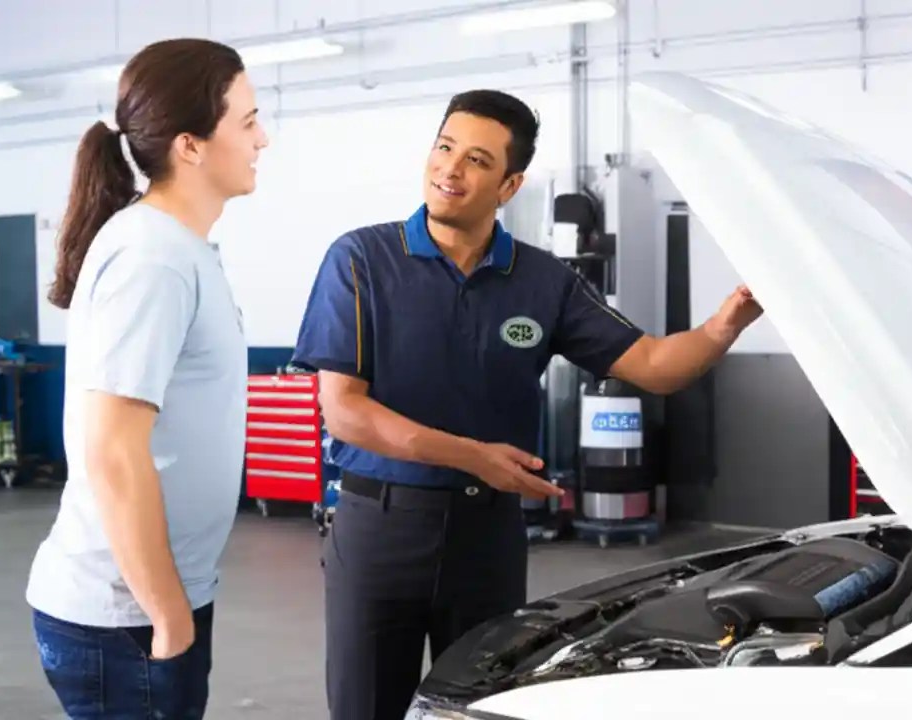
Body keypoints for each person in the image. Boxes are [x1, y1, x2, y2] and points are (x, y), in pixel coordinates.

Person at [292, 88, 762, 720]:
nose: (451, 169)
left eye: (477, 160)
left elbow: (654, 366)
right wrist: (471, 456)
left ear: (509, 185)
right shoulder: (363, 260)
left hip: (486, 540)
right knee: (365, 709)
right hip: (379, 530)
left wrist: (726, 324)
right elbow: (344, 411)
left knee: (485, 708)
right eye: (444, 147)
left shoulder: (544, 282)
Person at [25, 37, 269, 719]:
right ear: (190, 145)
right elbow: (110, 450)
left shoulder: (177, 248)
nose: (263, 139)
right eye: (247, 122)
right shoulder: (153, 258)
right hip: (123, 618)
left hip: (153, 603)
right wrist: (168, 615)